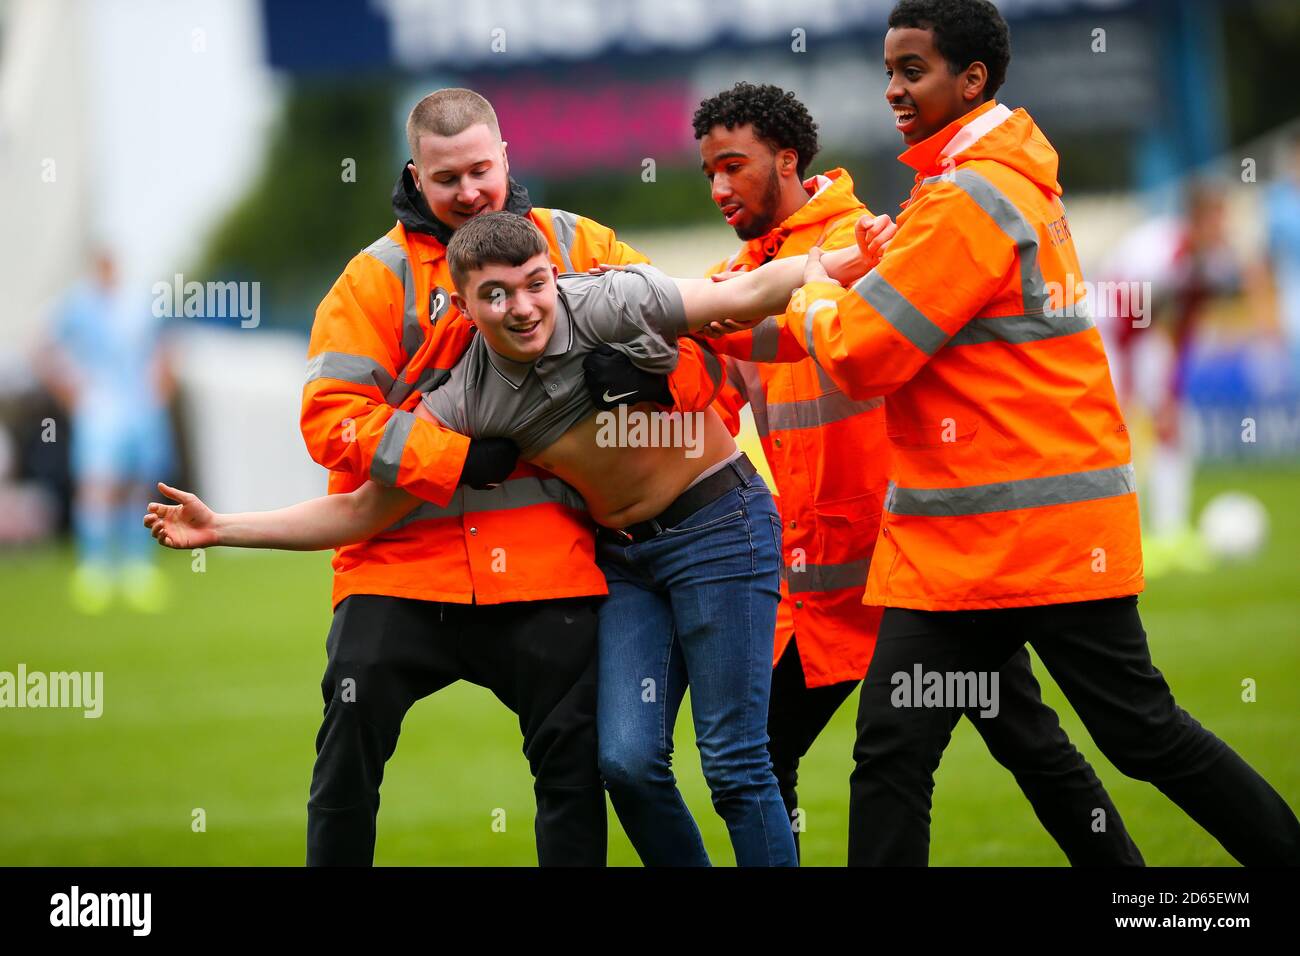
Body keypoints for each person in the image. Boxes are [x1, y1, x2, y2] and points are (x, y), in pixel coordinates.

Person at [147, 209, 889, 866]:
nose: (522, 307)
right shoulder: (465, 398)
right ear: (464, 308)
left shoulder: (605, 297)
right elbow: (360, 514)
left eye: (534, 283)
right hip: (627, 561)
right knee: (627, 764)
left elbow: (740, 296)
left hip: (718, 525)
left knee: (733, 761)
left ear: (552, 273)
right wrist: (221, 528)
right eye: (495, 295)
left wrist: (832, 266)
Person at [740, 0, 1300, 865]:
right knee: (900, 751)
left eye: (912, 70)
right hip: (965, 542)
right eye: (889, 69)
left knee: (1137, 736)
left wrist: (810, 290)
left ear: (972, 80)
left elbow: (863, 352)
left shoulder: (970, 196)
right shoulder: (979, 184)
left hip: (1030, 538)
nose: (893, 88)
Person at [585, 81, 1142, 864]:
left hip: (924, 567)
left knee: (1026, 745)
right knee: (765, 758)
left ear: (786, 160)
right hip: (820, 588)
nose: (717, 187)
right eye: (708, 170)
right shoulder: (734, 284)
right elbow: (706, 401)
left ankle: (1136, 889)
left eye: (733, 167)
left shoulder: (876, 242)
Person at [293, 87, 717, 866]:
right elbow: (330, 419)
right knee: (345, 755)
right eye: (446, 177)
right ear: (415, 176)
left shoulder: (580, 244)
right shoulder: (373, 279)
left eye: (480, 170)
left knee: (574, 775)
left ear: (507, 159)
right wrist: (453, 459)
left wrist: (648, 381)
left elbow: (700, 354)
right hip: (400, 571)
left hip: (545, 567)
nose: (468, 191)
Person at [1095, 183, 1242, 575]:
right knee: (1120, 430)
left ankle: (1170, 534)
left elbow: (1185, 328)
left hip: (1145, 337)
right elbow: (1127, 320)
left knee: (1173, 425)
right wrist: (1136, 393)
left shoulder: (1213, 262)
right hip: (1110, 329)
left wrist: (1168, 392)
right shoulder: (1157, 253)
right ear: (1195, 219)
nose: (1223, 229)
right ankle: (1120, 537)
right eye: (1216, 219)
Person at [38, 249, 175, 614]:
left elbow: (162, 350)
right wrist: (73, 395)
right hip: (100, 409)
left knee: (137, 482)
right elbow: (44, 348)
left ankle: (135, 564)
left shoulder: (137, 301)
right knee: (98, 483)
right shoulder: (76, 304)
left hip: (138, 409)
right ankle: (95, 566)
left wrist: (158, 393)